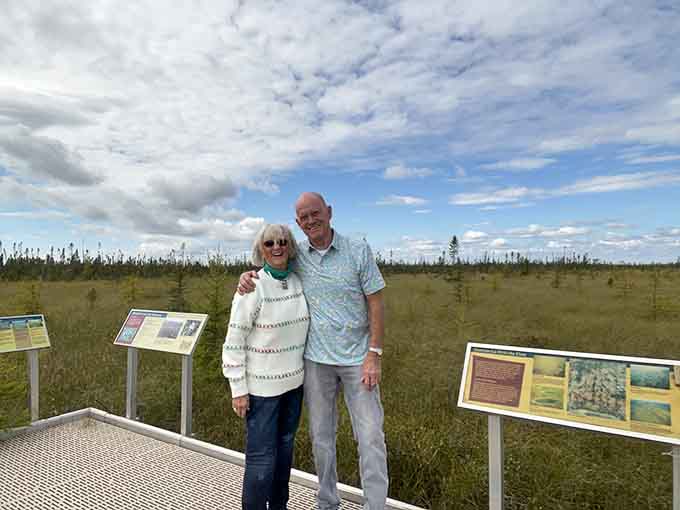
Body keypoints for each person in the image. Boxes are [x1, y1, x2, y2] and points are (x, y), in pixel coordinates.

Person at [239, 192, 388, 510]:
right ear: (298, 223)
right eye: (303, 217)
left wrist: (374, 353)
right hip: (315, 362)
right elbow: (270, 265)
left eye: (315, 213)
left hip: (358, 360)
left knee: (371, 436)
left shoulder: (357, 249)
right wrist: (247, 275)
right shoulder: (296, 255)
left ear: (329, 212)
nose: (310, 221)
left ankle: (374, 505)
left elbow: (375, 301)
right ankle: (327, 501)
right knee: (321, 438)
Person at [223, 223, 310, 510]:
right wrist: (238, 389)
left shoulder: (298, 281)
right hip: (262, 393)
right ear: (261, 249)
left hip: (293, 389)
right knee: (261, 460)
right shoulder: (252, 287)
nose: (277, 247)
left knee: (284, 457)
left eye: (282, 241)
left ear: (290, 246)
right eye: (270, 243)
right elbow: (234, 340)